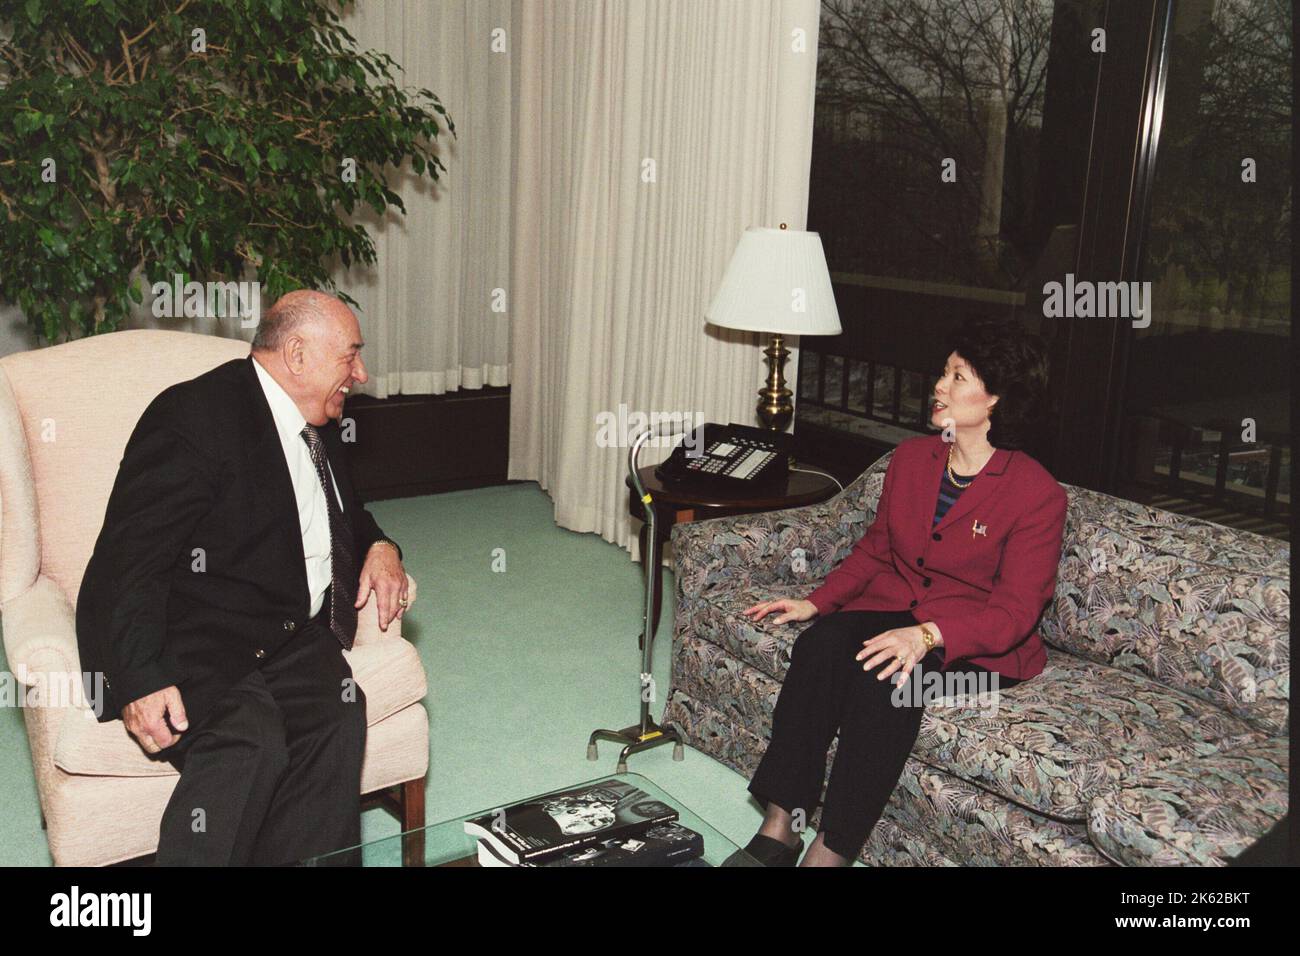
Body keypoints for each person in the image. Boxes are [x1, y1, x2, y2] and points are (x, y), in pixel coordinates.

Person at [76, 290, 410, 865]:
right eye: (350, 355)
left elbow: (342, 509)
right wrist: (136, 677)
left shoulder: (316, 414)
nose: (361, 372)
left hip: (281, 626)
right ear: (298, 355)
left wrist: (381, 544)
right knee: (249, 741)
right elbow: (130, 558)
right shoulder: (194, 418)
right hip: (189, 626)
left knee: (337, 711)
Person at [725, 317, 1068, 867]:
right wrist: (818, 602)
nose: (939, 386)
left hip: (982, 649)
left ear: (996, 400)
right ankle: (779, 827)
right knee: (820, 645)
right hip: (897, 609)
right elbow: (876, 549)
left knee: (888, 681)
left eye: (958, 377)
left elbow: (1015, 612)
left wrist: (928, 635)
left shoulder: (1036, 494)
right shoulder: (911, 459)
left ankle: (831, 852)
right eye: (944, 372)